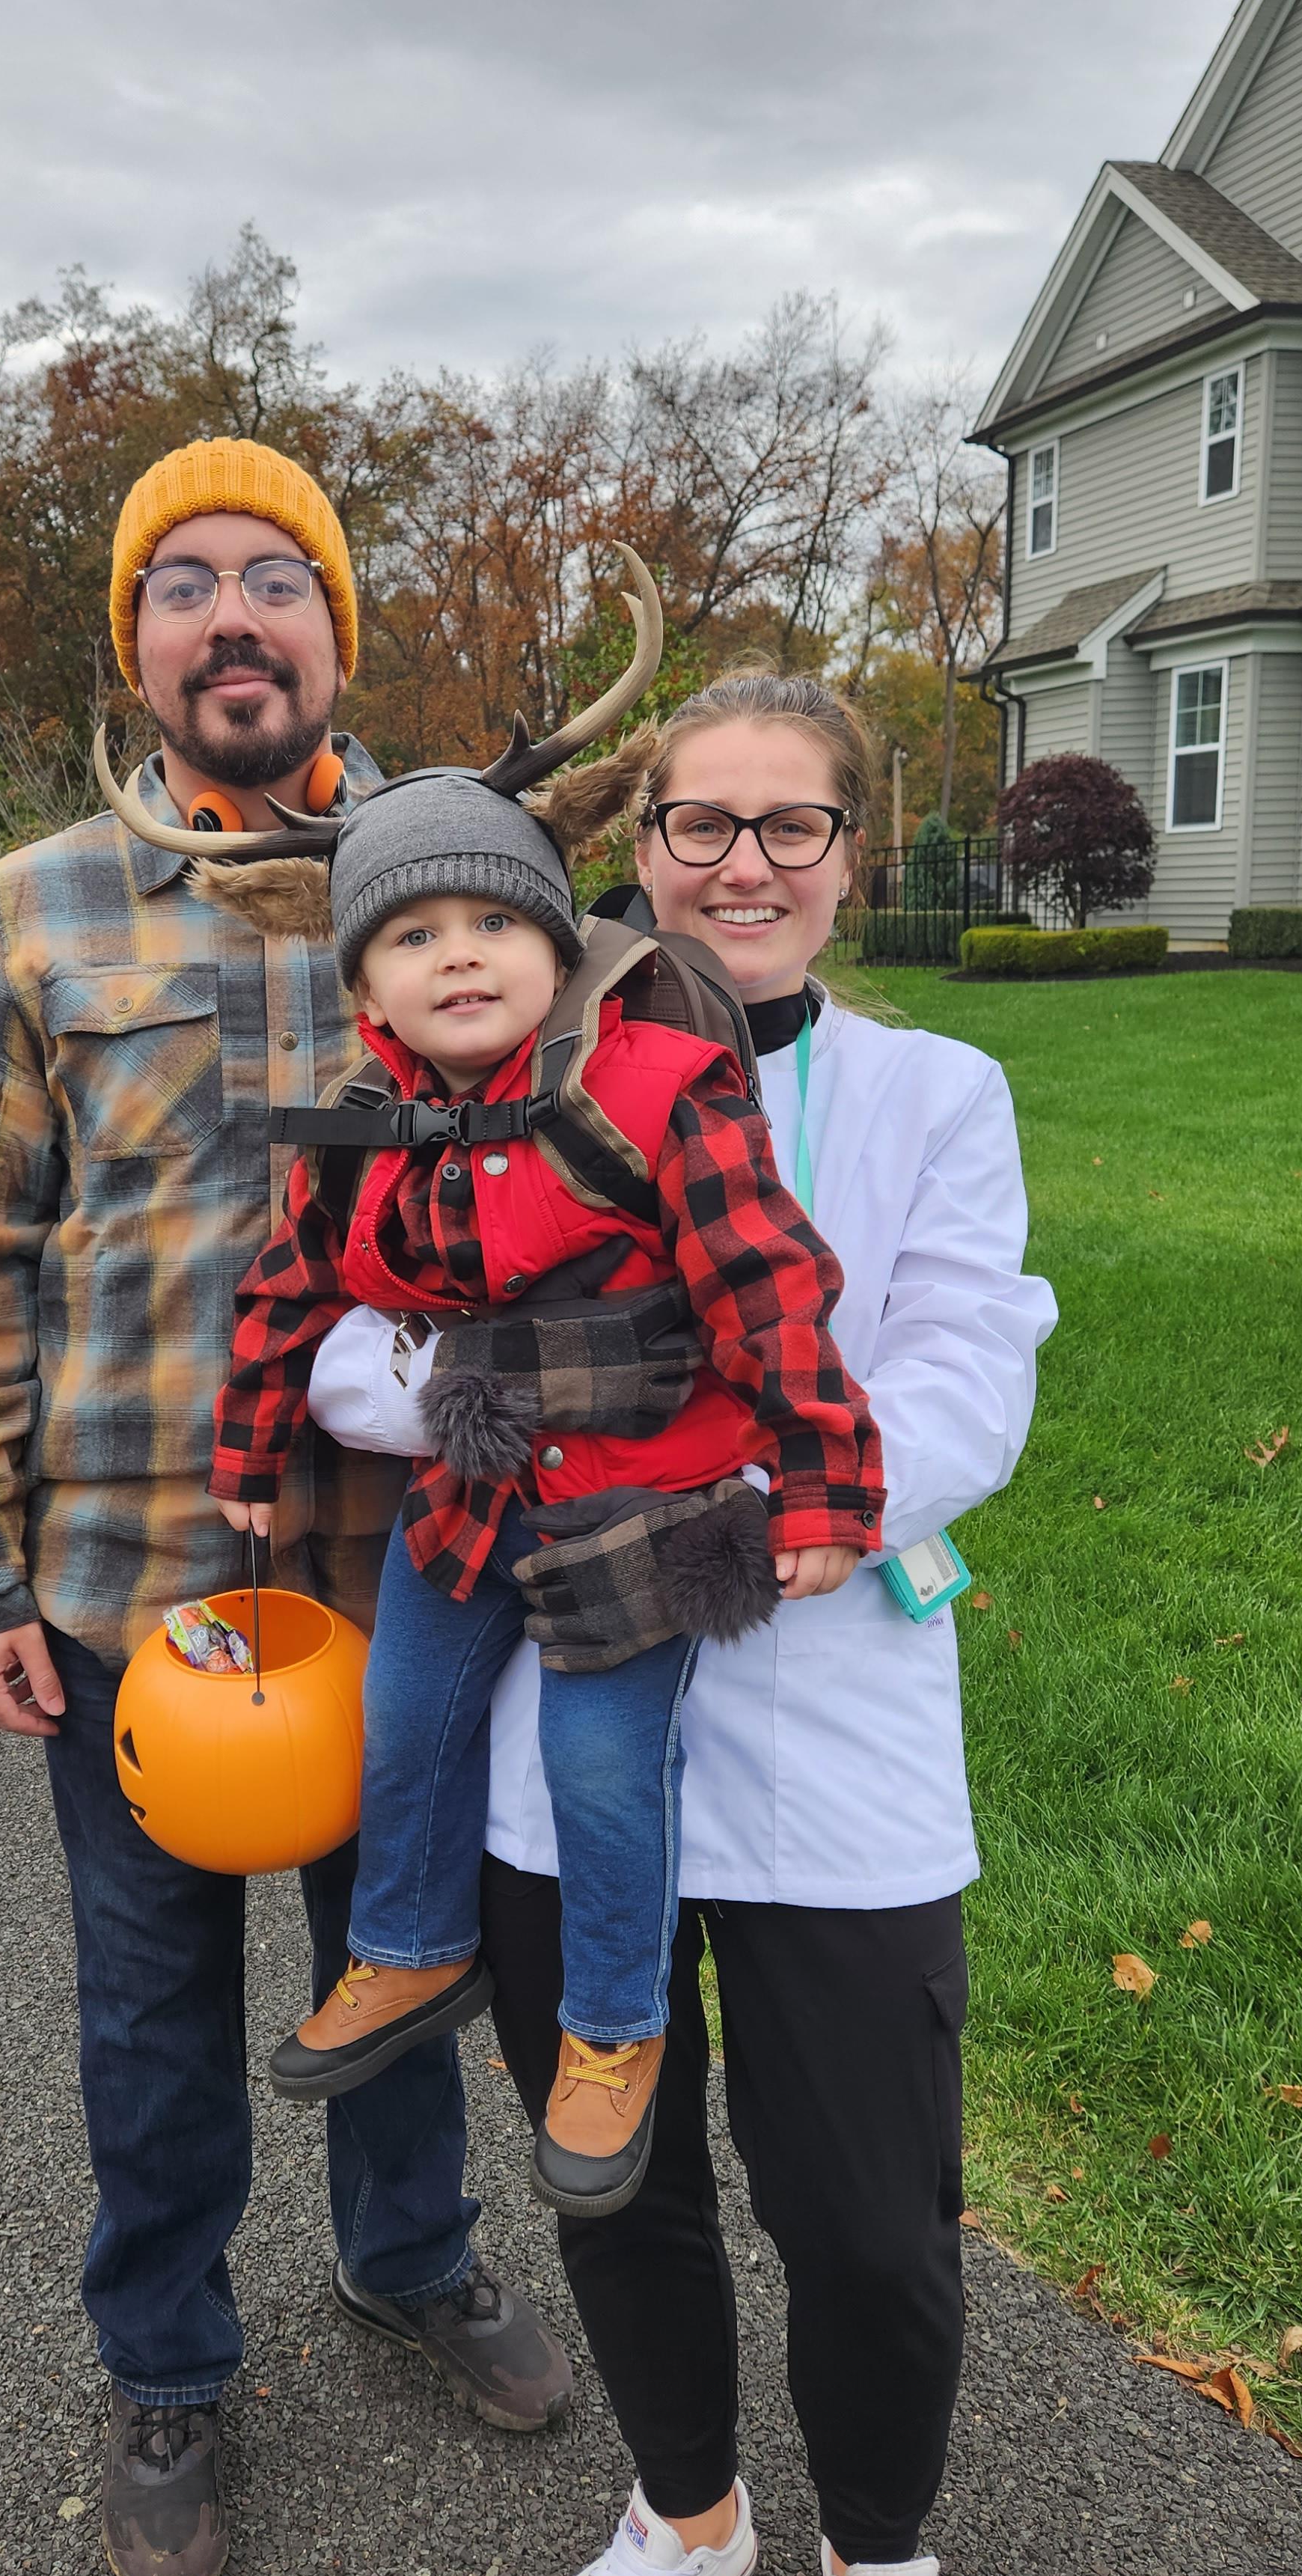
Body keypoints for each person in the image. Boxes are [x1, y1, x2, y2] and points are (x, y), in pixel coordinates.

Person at [308, 671, 1057, 2576]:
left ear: (850, 856)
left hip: (839, 1749)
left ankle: (881, 2575)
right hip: (570, 1746)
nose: (741, 863)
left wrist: (727, 1520)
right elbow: (361, 1357)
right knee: (608, 2176)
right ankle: (688, 2518)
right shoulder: (479, 1080)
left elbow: (964, 1372)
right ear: (638, 860)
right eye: (699, 826)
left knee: (869, 2219)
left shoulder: (937, 1094)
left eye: (788, 826)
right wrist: (597, 1452)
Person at [0, 439, 571, 2576]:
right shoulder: (35, 908)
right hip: (132, 1581)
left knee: (401, 1955)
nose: (234, 619)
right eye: (182, 585)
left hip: (422, 1565)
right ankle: (167, 2362)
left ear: (339, 632)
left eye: (279, 578)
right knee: (147, 1997)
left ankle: (409, 2264)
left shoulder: (455, 884)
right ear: (138, 645)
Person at [202, 755, 881, 2215]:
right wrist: (250, 1444)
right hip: (478, 1480)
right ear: (368, 990)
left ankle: (616, 2027)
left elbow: (773, 1285)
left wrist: (824, 1478)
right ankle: (409, 1945)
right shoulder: (357, 1122)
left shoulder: (657, 1083)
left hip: (640, 1500)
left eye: (494, 922)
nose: (459, 950)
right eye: (411, 931)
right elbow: (284, 1283)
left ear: (558, 948)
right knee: (405, 1721)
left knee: (598, 1765)